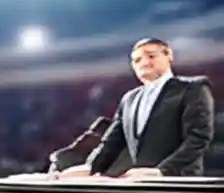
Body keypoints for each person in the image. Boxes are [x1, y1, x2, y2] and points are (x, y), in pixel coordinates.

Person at [73, 37, 214, 179]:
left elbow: (198, 138)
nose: (144, 63)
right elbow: (111, 142)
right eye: (137, 60)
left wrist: (162, 171)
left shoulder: (192, 87)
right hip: (142, 182)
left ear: (168, 55)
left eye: (151, 56)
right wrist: (90, 168)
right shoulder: (129, 98)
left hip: (179, 182)